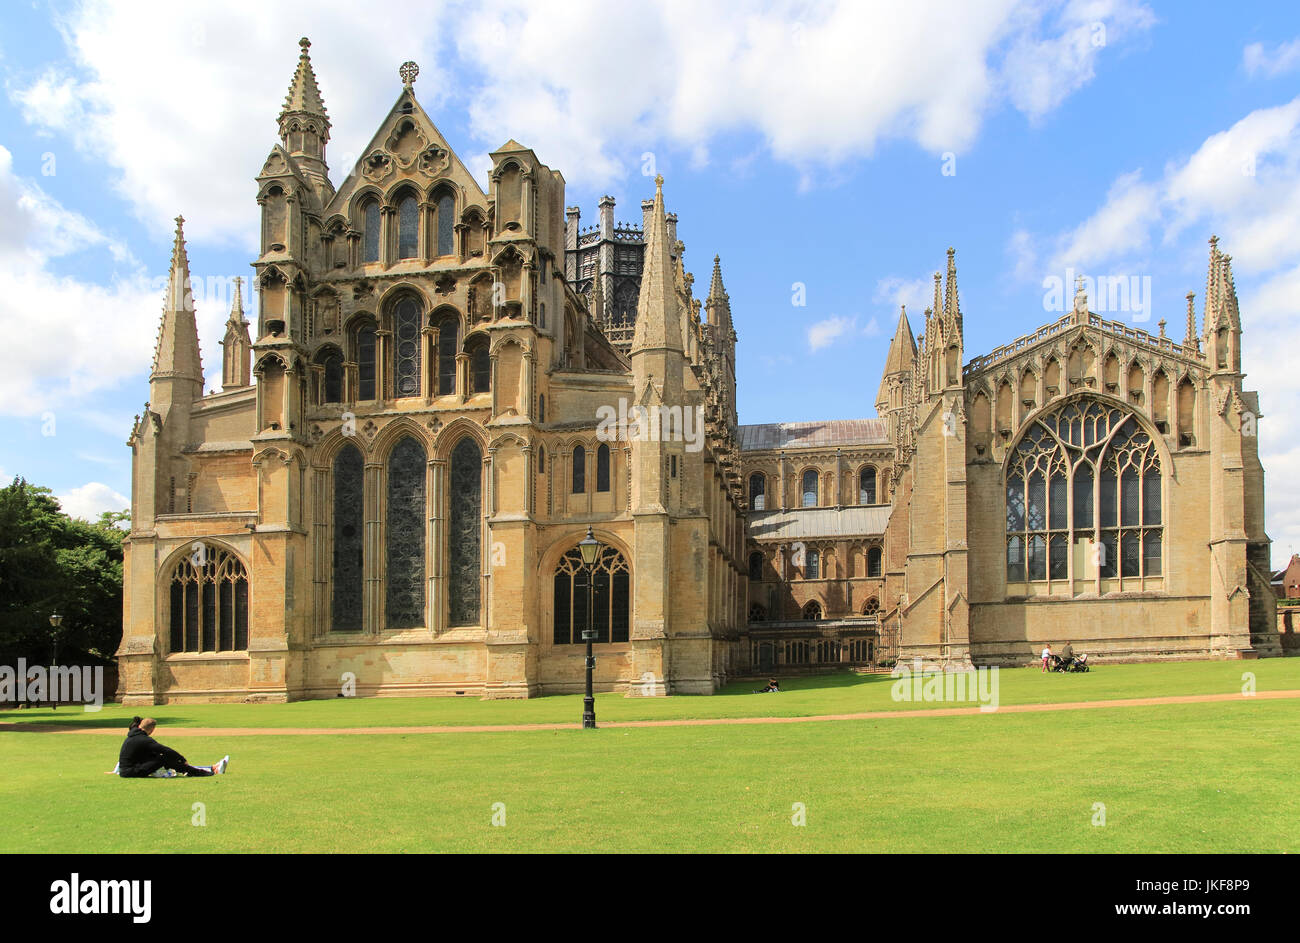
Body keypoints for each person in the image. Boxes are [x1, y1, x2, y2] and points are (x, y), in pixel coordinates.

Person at [117, 716, 229, 778]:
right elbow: (165, 750)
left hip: (128, 770)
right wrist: (182, 758)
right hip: (131, 772)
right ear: (152, 730)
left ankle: (210, 768)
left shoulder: (134, 735)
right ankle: (204, 772)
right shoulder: (143, 739)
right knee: (164, 758)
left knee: (162, 758)